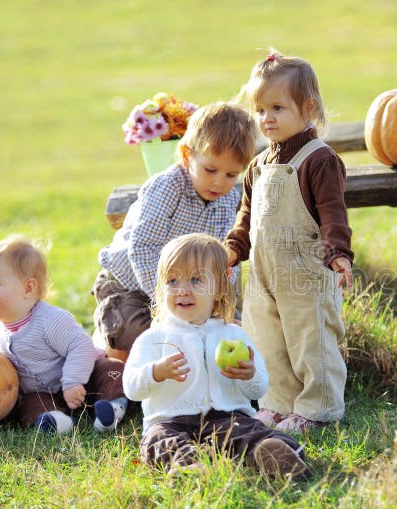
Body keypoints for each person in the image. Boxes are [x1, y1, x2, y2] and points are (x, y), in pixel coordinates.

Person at [225, 48, 354, 434]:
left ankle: (318, 408)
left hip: (306, 274)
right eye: (260, 110)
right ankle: (277, 405)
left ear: (309, 107)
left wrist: (338, 255)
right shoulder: (259, 164)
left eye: (277, 108)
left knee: (310, 340)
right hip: (265, 275)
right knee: (269, 341)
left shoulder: (319, 160)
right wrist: (233, 248)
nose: (266, 118)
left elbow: (333, 212)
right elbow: (246, 216)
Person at [123, 233, 308, 478]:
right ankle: (188, 468)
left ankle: (271, 455)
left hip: (226, 418)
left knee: (251, 431)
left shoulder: (233, 335)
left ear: (220, 287)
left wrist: (249, 374)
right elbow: (131, 388)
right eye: (173, 281)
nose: (183, 290)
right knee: (160, 441)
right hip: (171, 421)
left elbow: (258, 390)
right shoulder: (154, 338)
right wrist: (155, 372)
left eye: (196, 280)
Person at [93, 101, 258, 362]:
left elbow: (224, 256)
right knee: (138, 332)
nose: (219, 182)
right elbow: (143, 248)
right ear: (186, 155)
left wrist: (220, 301)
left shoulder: (226, 200)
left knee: (225, 331)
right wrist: (166, 307)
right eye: (210, 170)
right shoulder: (169, 187)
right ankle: (107, 352)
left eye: (231, 175)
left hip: (183, 290)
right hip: (130, 283)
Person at [0, 234, 128, 434]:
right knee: (29, 405)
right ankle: (56, 421)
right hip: (43, 393)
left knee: (112, 370)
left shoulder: (50, 320)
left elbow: (80, 346)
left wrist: (73, 381)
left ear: (28, 288)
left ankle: (111, 407)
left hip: (85, 376)